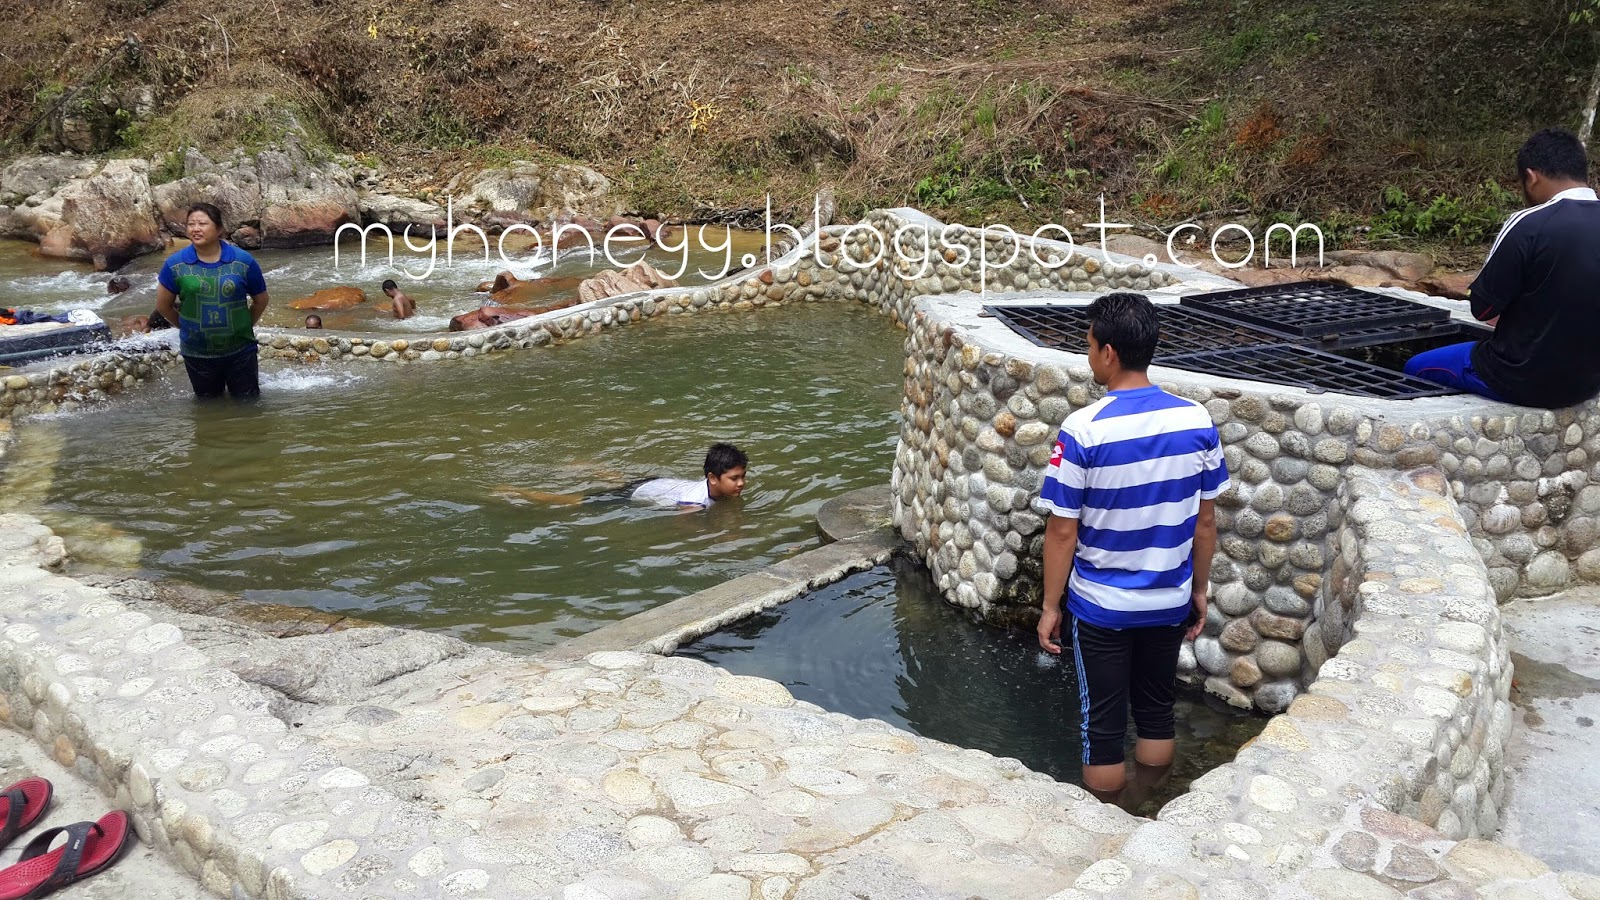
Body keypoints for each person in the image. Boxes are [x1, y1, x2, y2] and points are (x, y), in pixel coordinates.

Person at [1034, 292, 1228, 806]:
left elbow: (1061, 532)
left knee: (1103, 724)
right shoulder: (1197, 421)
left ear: (1110, 353)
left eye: (1090, 345)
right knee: (1157, 707)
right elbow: (1206, 522)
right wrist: (1199, 589)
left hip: (1101, 607)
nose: (1089, 354)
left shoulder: (1083, 430)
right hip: (1169, 598)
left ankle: (1106, 822)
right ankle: (1148, 804)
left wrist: (1051, 607)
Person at [1404, 128, 1600, 409]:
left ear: (1531, 177)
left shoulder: (1529, 223)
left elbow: (1483, 310)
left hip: (1518, 378)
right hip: (1587, 385)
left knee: (1416, 366)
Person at [153, 203, 270, 399]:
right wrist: (185, 327)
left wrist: (245, 325)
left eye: (202, 224)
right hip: (197, 354)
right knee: (208, 408)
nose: (195, 229)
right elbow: (163, 306)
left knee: (249, 405)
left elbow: (261, 300)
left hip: (241, 351)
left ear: (219, 229)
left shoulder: (243, 261)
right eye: (191, 224)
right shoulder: (175, 264)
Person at [629, 443, 748, 509]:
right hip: (639, 491)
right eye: (734, 478)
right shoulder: (695, 503)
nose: (741, 483)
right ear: (712, 478)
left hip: (659, 483)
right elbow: (683, 527)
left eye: (743, 476)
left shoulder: (720, 491)